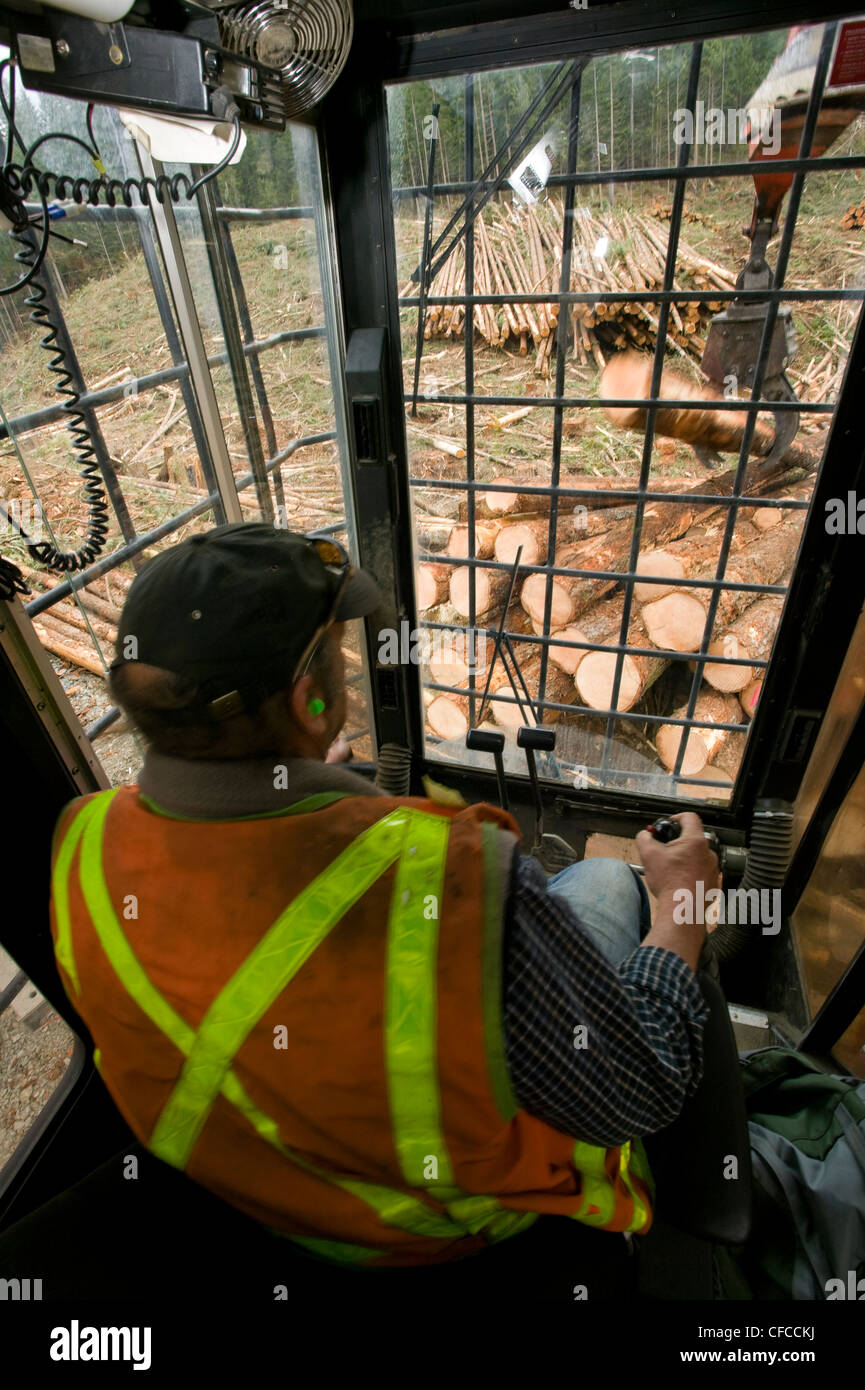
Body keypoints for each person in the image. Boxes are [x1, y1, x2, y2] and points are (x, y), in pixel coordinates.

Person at [48, 522, 719, 1278]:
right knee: (601, 881)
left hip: (260, 1196)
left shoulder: (81, 839)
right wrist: (682, 912)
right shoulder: (465, 877)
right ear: (309, 700)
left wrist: (306, 783)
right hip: (447, 1237)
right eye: (336, 654)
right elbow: (635, 1096)